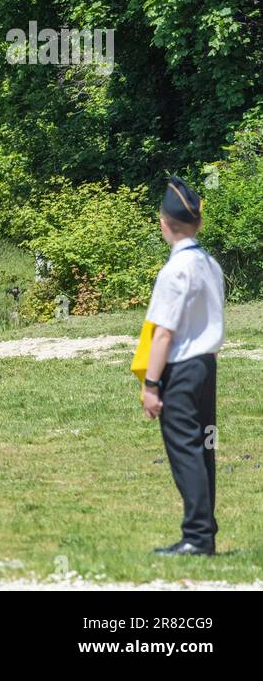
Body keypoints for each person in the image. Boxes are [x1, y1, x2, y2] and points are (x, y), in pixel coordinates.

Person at [141, 176, 225, 556]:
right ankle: (205, 532)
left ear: (163, 223)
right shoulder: (211, 264)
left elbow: (163, 335)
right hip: (207, 366)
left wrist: (151, 384)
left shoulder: (174, 271)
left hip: (181, 369)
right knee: (205, 446)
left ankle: (195, 535)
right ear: (198, 224)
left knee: (185, 448)